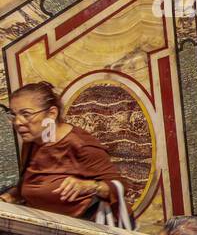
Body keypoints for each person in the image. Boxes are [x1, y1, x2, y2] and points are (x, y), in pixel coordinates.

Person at [1, 80, 126, 220]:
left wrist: (91, 186)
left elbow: (120, 186)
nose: (18, 122)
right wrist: (7, 198)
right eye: (13, 115)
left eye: (26, 114)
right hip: (47, 228)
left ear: (52, 114)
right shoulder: (32, 142)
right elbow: (31, 183)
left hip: (86, 231)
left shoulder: (80, 144)